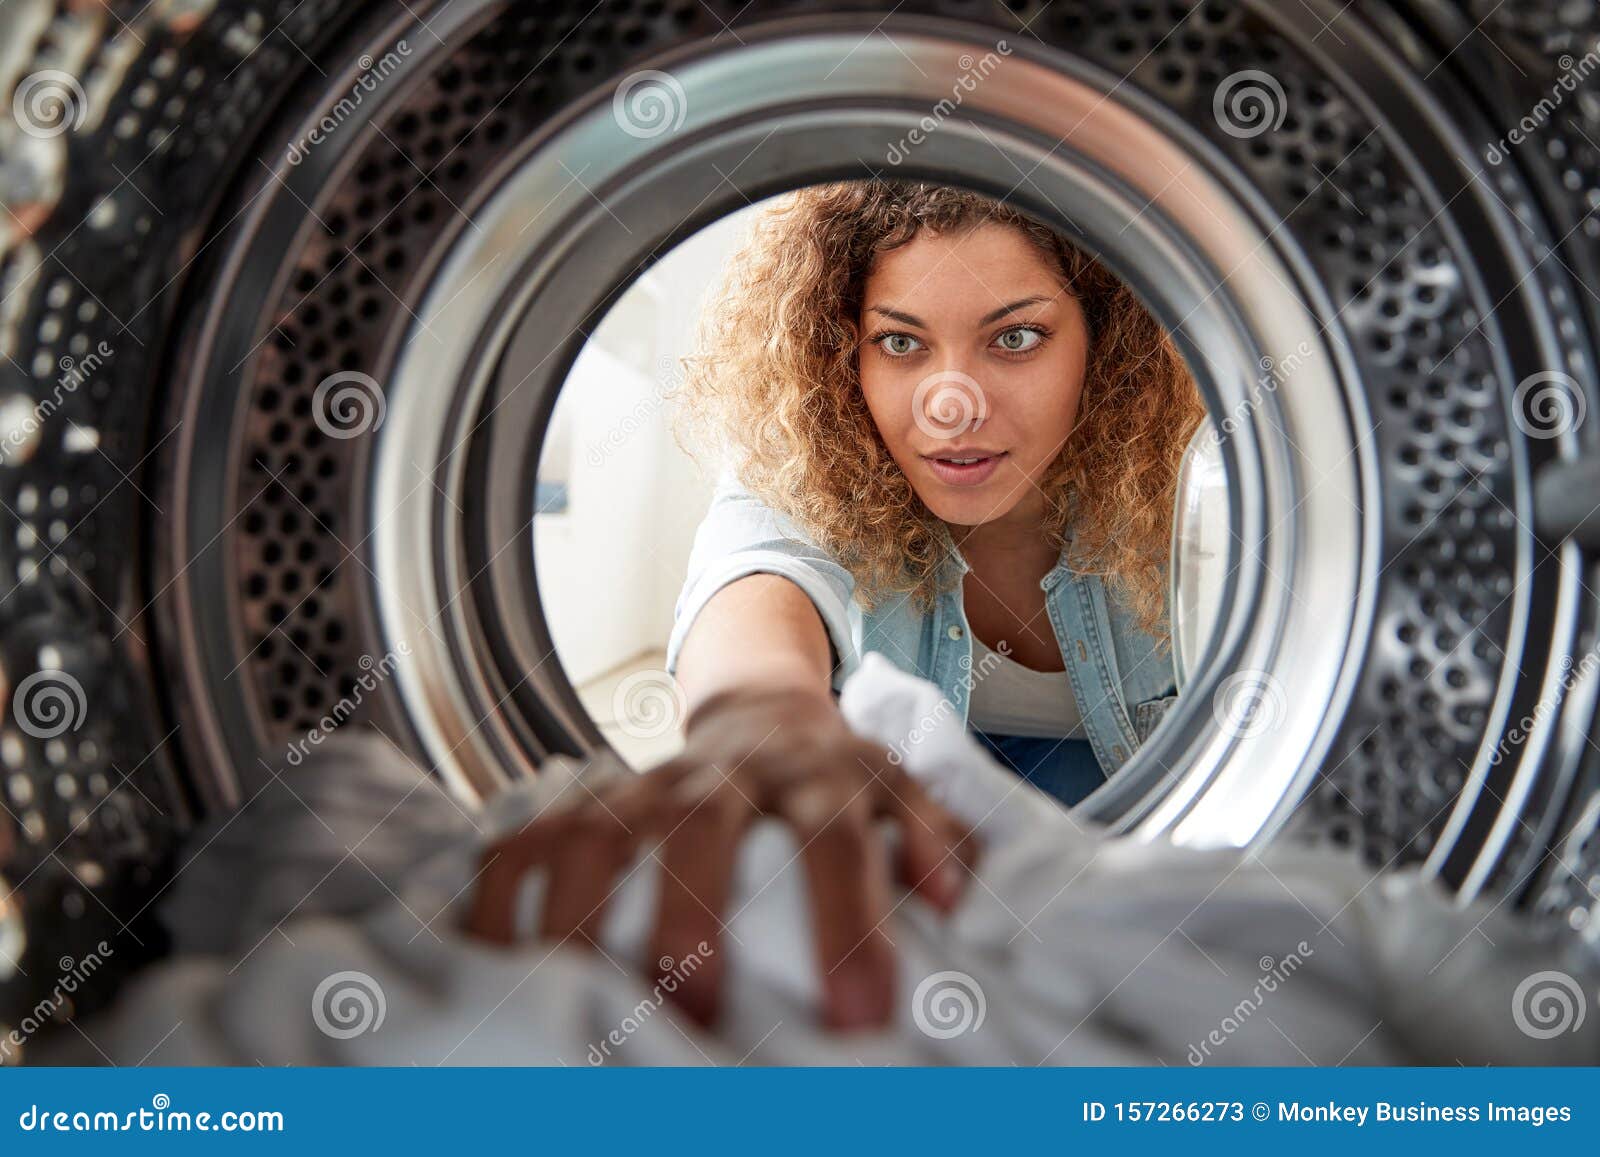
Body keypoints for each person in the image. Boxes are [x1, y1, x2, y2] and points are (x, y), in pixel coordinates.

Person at [468, 180, 1204, 1029]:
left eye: (1017, 337)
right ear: (845, 349)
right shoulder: (817, 466)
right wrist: (760, 714)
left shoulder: (1200, 487)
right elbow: (752, 574)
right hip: (898, 801)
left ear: (1104, 343)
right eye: (900, 342)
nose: (951, 403)